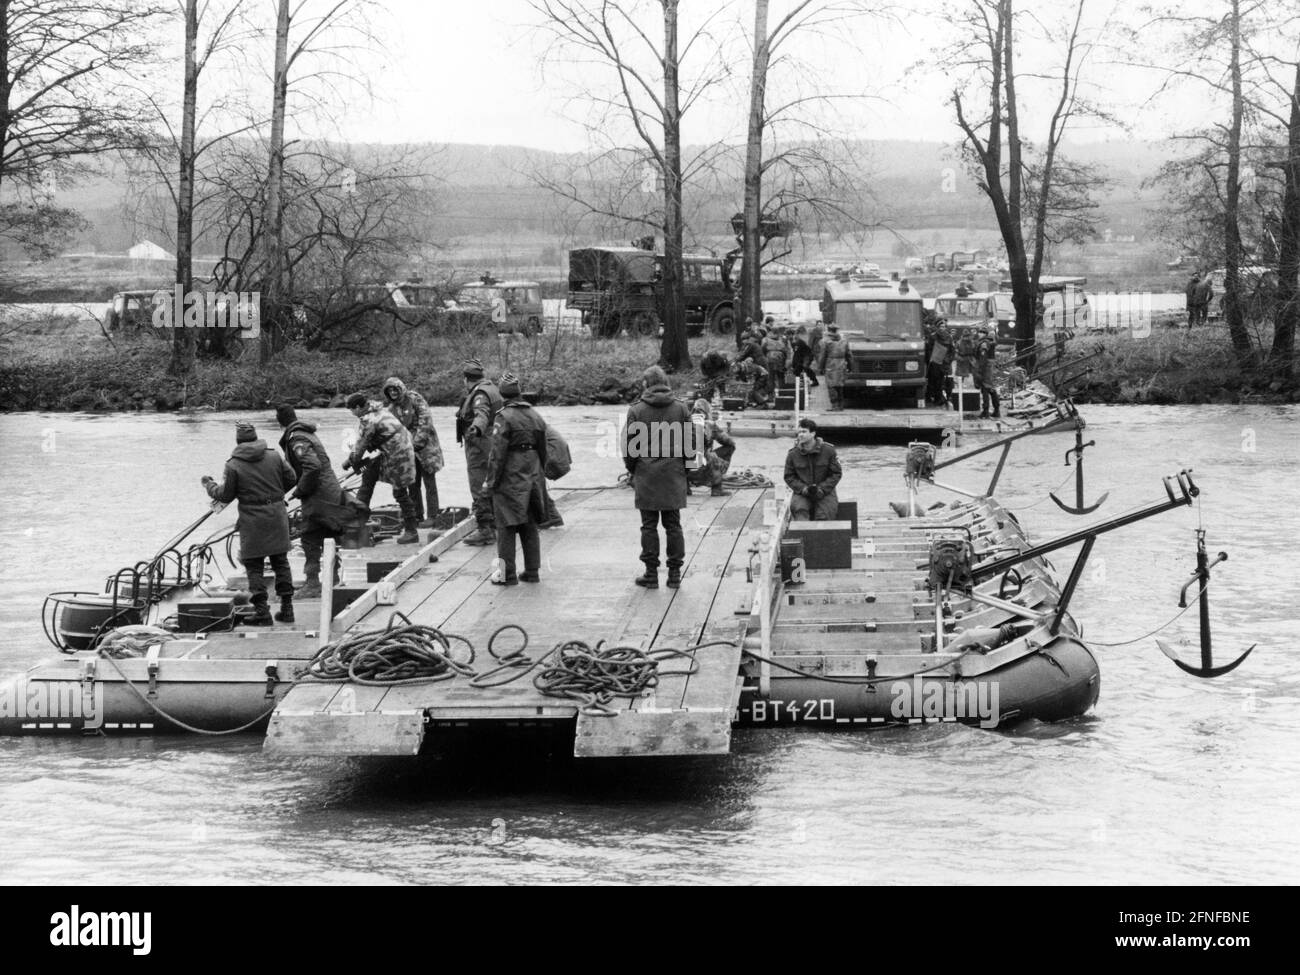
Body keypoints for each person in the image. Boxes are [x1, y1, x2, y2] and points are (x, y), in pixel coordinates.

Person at [202, 421, 297, 625]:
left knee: (254, 565)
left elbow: (226, 495)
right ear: (255, 437)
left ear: (238, 440)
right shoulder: (274, 455)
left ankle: (262, 612)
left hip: (252, 519)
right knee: (281, 562)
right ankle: (287, 610)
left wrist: (209, 485)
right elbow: (292, 478)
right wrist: (276, 495)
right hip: (277, 514)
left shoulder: (233, 464)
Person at [276, 404, 357, 598]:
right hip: (329, 492)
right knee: (329, 535)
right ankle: (334, 579)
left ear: (280, 421)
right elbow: (301, 471)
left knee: (309, 538)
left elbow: (312, 467)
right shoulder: (306, 433)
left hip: (319, 496)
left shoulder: (297, 438)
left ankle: (312, 582)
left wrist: (301, 490)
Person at [622, 365, 692, 590]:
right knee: (673, 525)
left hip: (647, 474)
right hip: (673, 474)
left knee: (648, 526)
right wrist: (685, 472)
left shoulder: (636, 411)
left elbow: (630, 449)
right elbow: (692, 446)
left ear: (646, 384)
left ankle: (651, 574)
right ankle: (674, 574)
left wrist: (634, 470)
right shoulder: (681, 409)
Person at [484, 372, 548, 586]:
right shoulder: (535, 415)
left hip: (509, 478)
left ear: (502, 395)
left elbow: (497, 454)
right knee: (529, 525)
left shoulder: (503, 417)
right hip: (532, 476)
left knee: (506, 527)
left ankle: (506, 574)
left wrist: (491, 482)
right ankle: (532, 571)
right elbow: (544, 450)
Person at [342, 392, 419, 544]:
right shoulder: (378, 410)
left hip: (399, 455)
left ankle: (412, 531)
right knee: (368, 477)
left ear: (358, 407)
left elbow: (360, 448)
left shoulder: (368, 419)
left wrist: (349, 462)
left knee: (400, 492)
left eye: (352, 410)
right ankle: (359, 521)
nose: (352, 413)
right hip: (397, 450)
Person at [381, 377, 444, 528]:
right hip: (408, 450)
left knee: (429, 483)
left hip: (426, 448)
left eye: (395, 389)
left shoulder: (415, 399)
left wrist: (417, 442)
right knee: (412, 484)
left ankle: (433, 515)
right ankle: (418, 515)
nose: (393, 393)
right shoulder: (391, 409)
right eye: (390, 391)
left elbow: (426, 420)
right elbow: (391, 430)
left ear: (401, 388)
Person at [455, 357, 504, 546]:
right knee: (493, 484)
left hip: (480, 445)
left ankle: (485, 529)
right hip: (495, 442)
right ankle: (496, 524)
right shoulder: (493, 388)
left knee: (478, 485)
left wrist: (475, 429)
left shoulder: (480, 394)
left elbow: (481, 414)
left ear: (467, 379)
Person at [784, 418, 841, 521]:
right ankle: (803, 535)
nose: (800, 435)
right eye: (799, 432)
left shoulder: (828, 451)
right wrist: (803, 489)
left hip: (825, 492)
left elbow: (836, 473)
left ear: (813, 433)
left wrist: (822, 489)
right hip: (802, 492)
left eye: (804, 432)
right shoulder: (793, 454)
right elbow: (789, 476)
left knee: (825, 514)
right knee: (799, 510)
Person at [686, 398, 736, 497]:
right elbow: (730, 442)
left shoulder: (683, 422)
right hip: (702, 467)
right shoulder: (709, 424)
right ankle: (717, 487)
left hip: (682, 469)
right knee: (727, 449)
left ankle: (685, 487)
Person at [538, 421, 571, 528]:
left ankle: (551, 517)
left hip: (552, 452)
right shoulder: (528, 415)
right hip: (555, 450)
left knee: (529, 481)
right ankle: (552, 517)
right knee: (534, 482)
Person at [817, 324, 848, 409]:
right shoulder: (844, 341)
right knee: (840, 385)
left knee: (831, 385)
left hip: (831, 365)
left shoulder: (825, 341)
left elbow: (822, 356)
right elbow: (849, 355)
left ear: (829, 330)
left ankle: (834, 405)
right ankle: (841, 405)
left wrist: (820, 368)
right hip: (842, 365)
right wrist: (851, 367)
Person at [973, 326, 1001, 419]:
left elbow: (983, 359)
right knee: (990, 388)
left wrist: (979, 371)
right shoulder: (989, 342)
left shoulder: (984, 344)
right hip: (989, 368)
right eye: (980, 332)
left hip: (985, 369)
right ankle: (996, 410)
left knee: (985, 389)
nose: (980, 334)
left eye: (982, 332)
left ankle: (986, 411)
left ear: (985, 334)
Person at [927, 320, 954, 407]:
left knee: (944, 381)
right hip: (934, 362)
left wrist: (948, 360)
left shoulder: (949, 337)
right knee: (934, 381)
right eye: (941, 327)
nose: (942, 328)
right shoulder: (933, 336)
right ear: (938, 327)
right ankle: (935, 398)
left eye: (944, 327)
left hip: (945, 363)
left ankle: (943, 398)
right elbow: (929, 350)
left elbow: (952, 351)